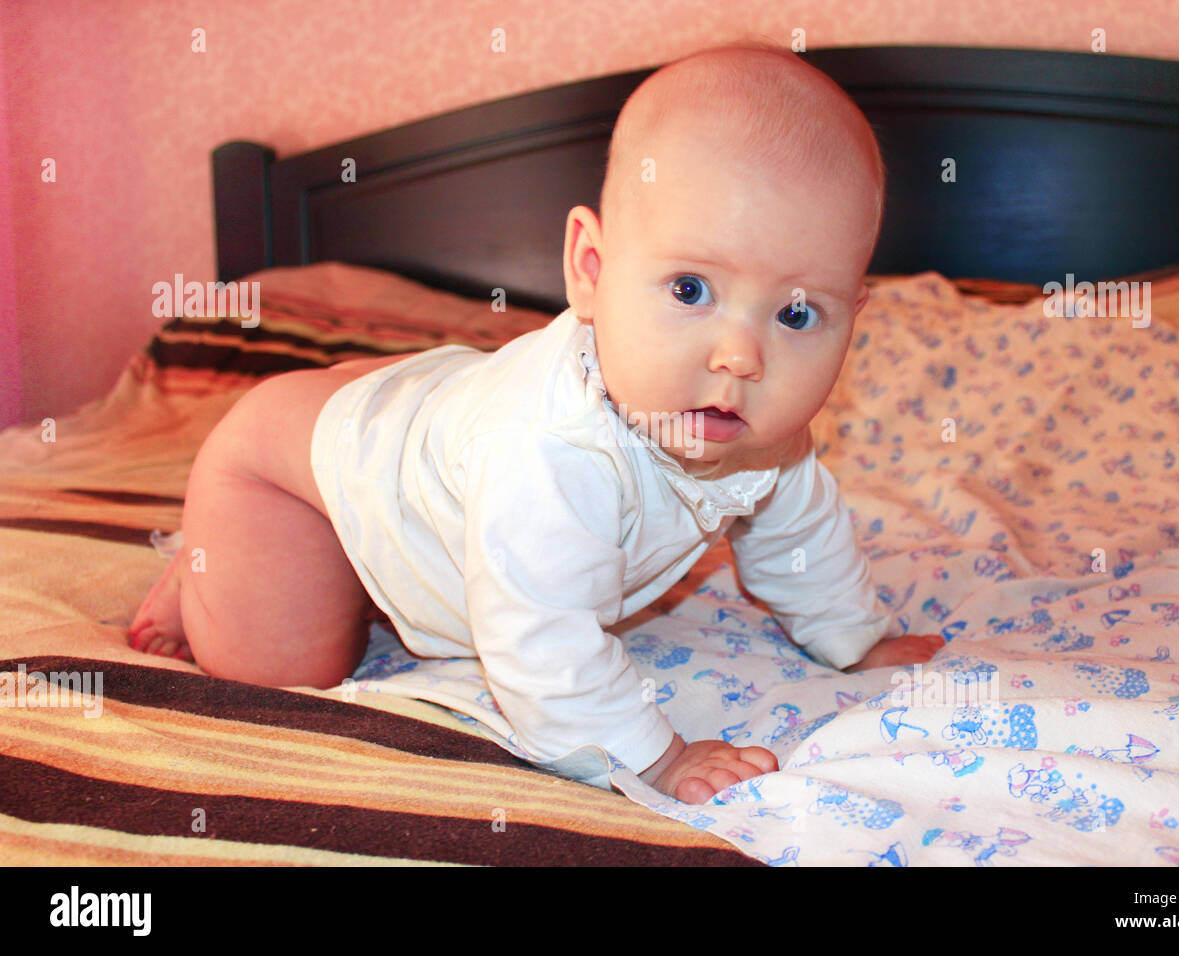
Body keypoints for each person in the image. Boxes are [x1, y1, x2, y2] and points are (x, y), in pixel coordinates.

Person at [129, 41, 945, 805]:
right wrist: (658, 756)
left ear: (853, 315)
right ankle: (205, 565)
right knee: (291, 665)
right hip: (289, 473)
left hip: (436, 424)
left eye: (797, 312)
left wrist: (857, 639)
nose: (741, 356)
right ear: (591, 270)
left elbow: (800, 539)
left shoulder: (756, 431)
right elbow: (543, 649)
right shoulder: (556, 452)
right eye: (691, 290)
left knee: (443, 524)